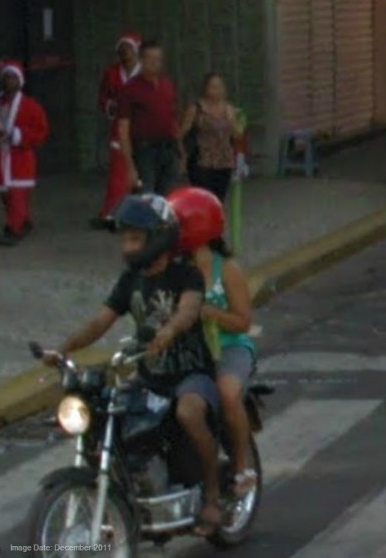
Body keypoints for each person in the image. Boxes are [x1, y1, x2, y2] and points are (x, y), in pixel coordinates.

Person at [40, 194, 224, 535]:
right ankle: (128, 487)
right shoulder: (130, 281)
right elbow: (100, 321)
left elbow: (188, 310)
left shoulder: (185, 274)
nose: (127, 246)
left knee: (188, 413)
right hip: (149, 376)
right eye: (125, 238)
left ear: (159, 237)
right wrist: (63, 349)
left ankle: (212, 495)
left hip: (189, 373)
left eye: (135, 238)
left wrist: (170, 329)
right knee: (106, 415)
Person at [192, 208, 257, 496]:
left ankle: (242, 468)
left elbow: (243, 321)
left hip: (230, 346)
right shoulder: (175, 268)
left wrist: (208, 313)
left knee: (227, 392)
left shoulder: (227, 270)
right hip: (192, 350)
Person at [0, 60, 49, 247]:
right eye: (6, 77)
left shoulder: (31, 106)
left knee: (17, 194)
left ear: (20, 81)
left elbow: (41, 131)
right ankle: (23, 221)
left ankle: (13, 228)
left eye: (13, 77)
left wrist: (17, 134)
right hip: (1, 157)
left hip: (21, 157)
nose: (9, 81)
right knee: (7, 195)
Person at [91, 32, 142, 230]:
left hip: (142, 129)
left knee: (141, 175)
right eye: (121, 51)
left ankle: (136, 217)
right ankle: (111, 214)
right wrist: (109, 106)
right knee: (117, 174)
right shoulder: (111, 73)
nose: (124, 54)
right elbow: (102, 98)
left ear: (136, 51)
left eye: (128, 49)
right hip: (118, 129)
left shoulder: (145, 72)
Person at [117, 40, 181, 196]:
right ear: (141, 60)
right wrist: (130, 166)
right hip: (145, 150)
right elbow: (123, 128)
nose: (155, 63)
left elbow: (172, 118)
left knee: (168, 198)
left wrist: (180, 149)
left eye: (158, 59)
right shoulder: (130, 88)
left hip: (168, 148)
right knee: (146, 198)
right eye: (150, 59)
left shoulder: (167, 84)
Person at [179, 73, 243, 202]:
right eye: (213, 87)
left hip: (224, 161)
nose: (216, 91)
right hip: (202, 161)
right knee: (204, 199)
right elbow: (181, 133)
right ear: (205, 88)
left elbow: (237, 134)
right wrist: (183, 156)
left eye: (219, 87)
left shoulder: (228, 109)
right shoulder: (196, 109)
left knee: (218, 199)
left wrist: (232, 121)